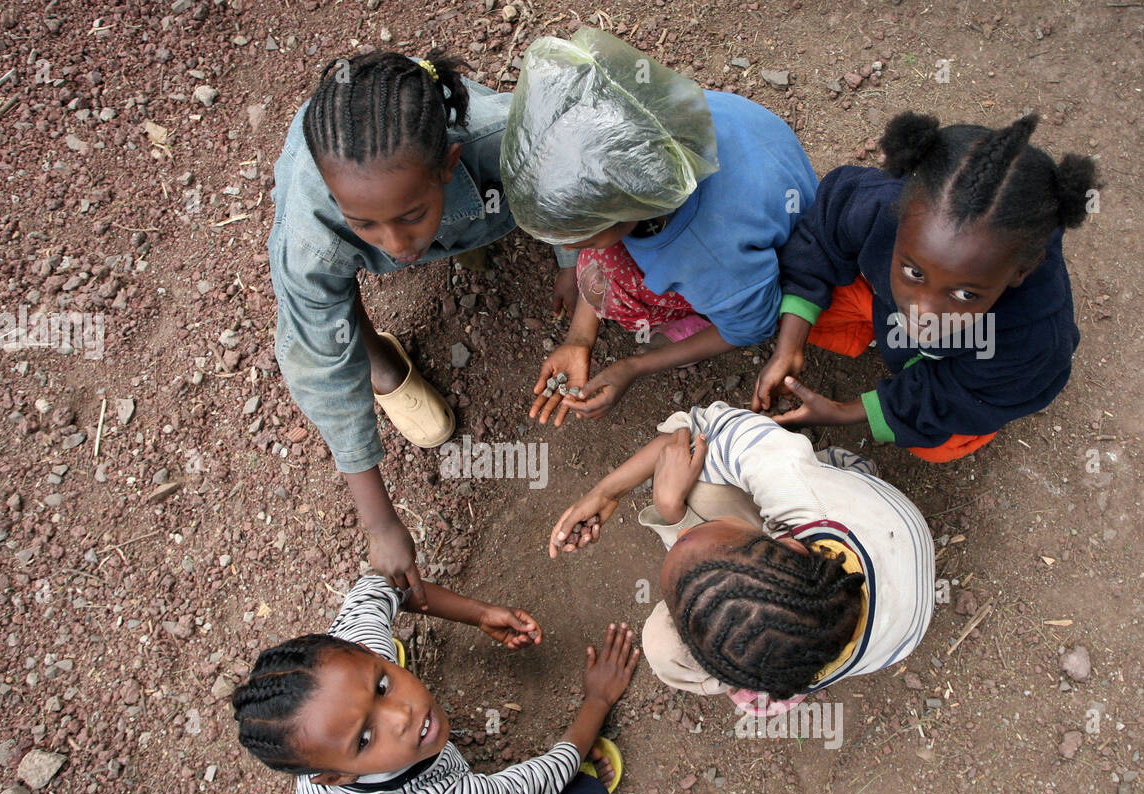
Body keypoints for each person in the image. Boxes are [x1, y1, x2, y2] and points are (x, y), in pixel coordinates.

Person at [269, 49, 578, 608]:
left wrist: (570, 262)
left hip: (468, 171)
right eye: (364, 223)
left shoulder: (504, 139)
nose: (395, 245)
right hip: (356, 195)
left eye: (411, 215)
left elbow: (564, 191)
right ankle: (383, 362)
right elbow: (319, 355)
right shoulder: (313, 225)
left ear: (449, 165)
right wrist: (380, 523)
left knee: (494, 210)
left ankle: (470, 238)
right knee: (331, 292)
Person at [232, 572, 638, 794]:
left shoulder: (351, 654)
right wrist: (597, 701)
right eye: (365, 738)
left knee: (364, 688)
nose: (402, 715)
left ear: (361, 648)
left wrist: (480, 614)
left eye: (381, 685)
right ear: (336, 777)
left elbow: (388, 581)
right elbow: (535, 783)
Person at [500, 29, 817, 426]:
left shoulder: (707, 255)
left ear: (631, 203)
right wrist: (579, 338)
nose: (576, 248)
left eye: (584, 238)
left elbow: (752, 326)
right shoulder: (649, 118)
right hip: (761, 164)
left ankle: (700, 315)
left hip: (765, 260)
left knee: (611, 282)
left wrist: (636, 365)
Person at [752, 111, 1102, 461]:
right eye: (914, 272)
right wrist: (788, 346)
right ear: (899, 215)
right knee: (789, 307)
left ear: (1021, 273)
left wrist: (848, 411)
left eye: (965, 294)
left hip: (976, 357)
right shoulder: (875, 208)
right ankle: (881, 333)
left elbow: (961, 396)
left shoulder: (1034, 339)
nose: (925, 311)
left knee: (938, 443)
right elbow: (820, 238)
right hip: (883, 310)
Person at [549, 402, 934, 715]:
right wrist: (617, 494)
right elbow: (711, 429)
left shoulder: (799, 643)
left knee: (663, 648)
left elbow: (698, 433)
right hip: (881, 536)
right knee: (701, 488)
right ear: (791, 545)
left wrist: (670, 508)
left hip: (892, 610)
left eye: (683, 533)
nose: (681, 532)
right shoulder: (802, 498)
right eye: (690, 530)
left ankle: (756, 688)